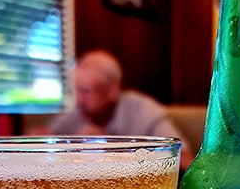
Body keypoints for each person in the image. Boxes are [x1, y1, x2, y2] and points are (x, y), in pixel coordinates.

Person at [51, 50, 193, 170]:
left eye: (86, 91)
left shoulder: (143, 110)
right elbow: (50, 142)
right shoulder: (76, 113)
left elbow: (182, 157)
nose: (78, 100)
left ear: (113, 90)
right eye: (76, 90)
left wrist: (111, 149)